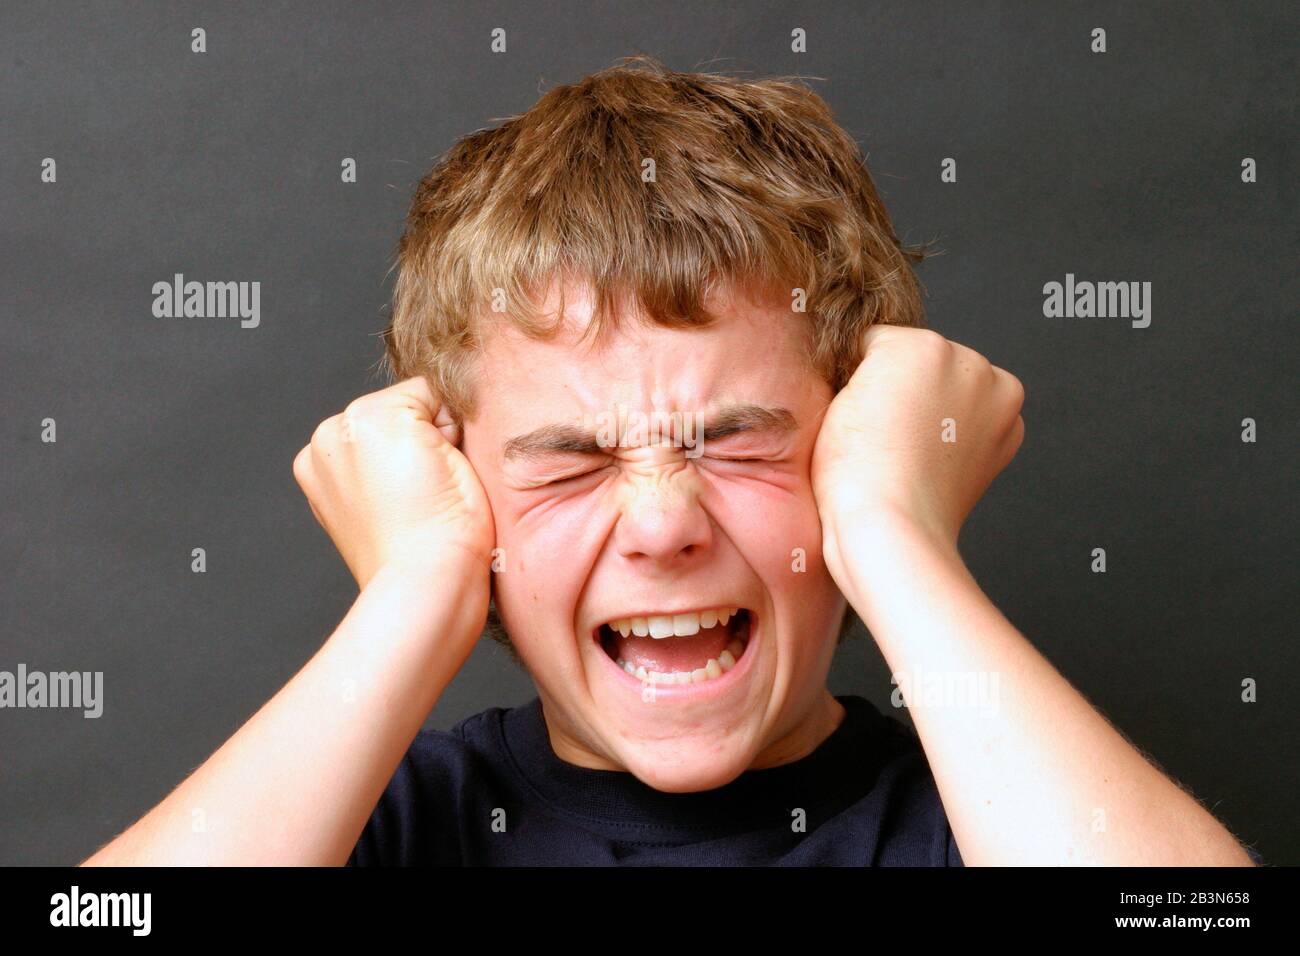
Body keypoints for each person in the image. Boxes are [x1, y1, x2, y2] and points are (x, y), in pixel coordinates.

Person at [83, 57, 1257, 866]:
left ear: (855, 444)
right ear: (458, 482)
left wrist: (894, 539)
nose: (662, 524)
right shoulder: (374, 822)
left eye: (739, 437)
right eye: (567, 459)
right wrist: (412, 593)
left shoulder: (989, 811)